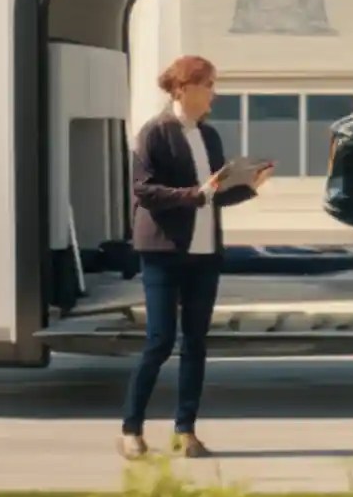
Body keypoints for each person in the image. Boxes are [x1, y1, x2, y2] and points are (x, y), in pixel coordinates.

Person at [117, 55, 273, 460]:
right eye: (209, 86)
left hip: (205, 254)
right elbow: (144, 191)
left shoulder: (210, 136)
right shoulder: (154, 133)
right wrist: (195, 194)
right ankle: (131, 430)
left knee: (196, 344)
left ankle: (185, 432)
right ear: (183, 88)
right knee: (160, 341)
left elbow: (213, 196)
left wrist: (249, 186)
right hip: (164, 252)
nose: (213, 95)